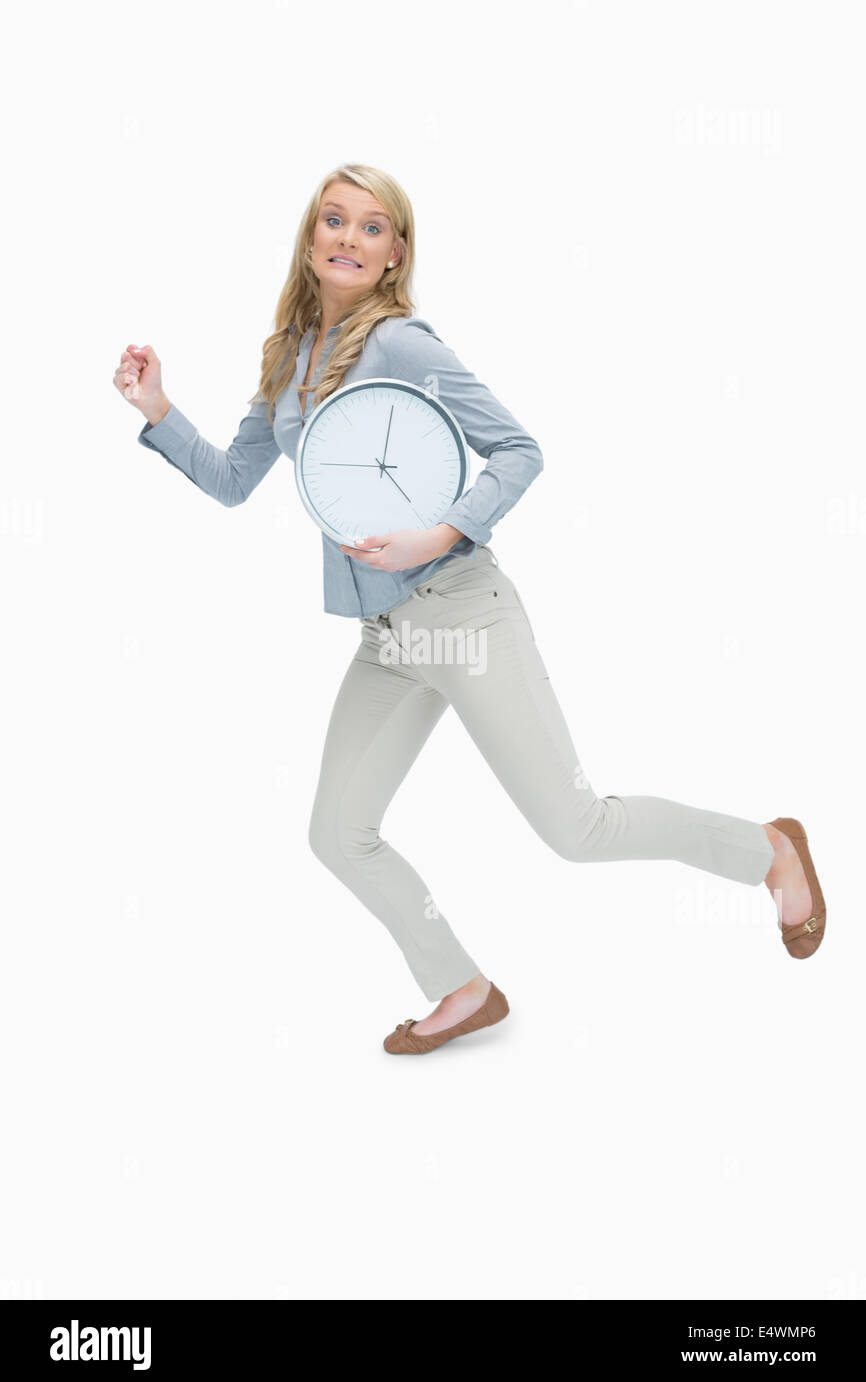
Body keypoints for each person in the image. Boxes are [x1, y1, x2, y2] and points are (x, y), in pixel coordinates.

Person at [113, 163, 827, 1058]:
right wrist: (157, 408)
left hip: (460, 609)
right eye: (333, 220)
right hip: (387, 637)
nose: (347, 237)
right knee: (338, 832)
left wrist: (435, 534)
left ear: (394, 255)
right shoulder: (289, 355)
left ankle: (769, 851)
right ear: (308, 238)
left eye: (371, 228)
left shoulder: (403, 345)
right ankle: (461, 985)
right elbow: (231, 482)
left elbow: (519, 451)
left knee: (579, 829)